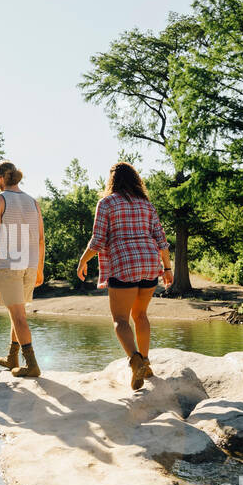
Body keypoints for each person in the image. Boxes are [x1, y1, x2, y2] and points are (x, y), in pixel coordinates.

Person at [76, 162, 173, 390]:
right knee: (141, 315)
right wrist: (167, 269)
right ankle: (146, 364)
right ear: (135, 179)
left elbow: (98, 240)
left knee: (120, 319)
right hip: (150, 262)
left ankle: (135, 361)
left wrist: (82, 260)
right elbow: (161, 239)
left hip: (124, 263)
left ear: (112, 181)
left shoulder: (107, 203)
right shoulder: (145, 204)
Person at [0, 161, 45, 378]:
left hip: (9, 265)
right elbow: (41, 239)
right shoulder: (33, 201)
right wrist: (40, 269)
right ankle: (12, 357)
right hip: (30, 265)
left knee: (18, 316)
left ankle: (31, 364)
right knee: (18, 312)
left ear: (1, 178)